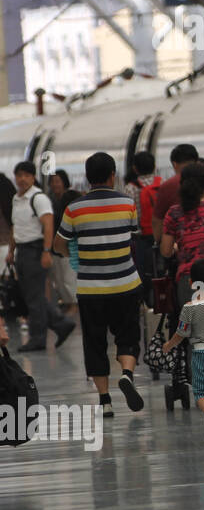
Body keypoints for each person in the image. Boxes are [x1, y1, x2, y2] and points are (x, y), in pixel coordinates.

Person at [54, 152, 145, 416]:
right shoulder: (127, 203)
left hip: (91, 289)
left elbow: (59, 245)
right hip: (126, 284)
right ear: (112, 175)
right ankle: (126, 374)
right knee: (127, 336)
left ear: (87, 177)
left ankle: (105, 400)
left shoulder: (75, 209)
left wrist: (73, 252)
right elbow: (133, 235)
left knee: (95, 343)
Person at [159, 258, 204, 442]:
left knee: (201, 393)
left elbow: (181, 333)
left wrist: (169, 345)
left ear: (191, 283)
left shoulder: (188, 308)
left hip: (202, 355)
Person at [6, 162, 76, 351]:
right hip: (22, 249)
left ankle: (38, 338)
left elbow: (48, 225)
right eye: (19, 175)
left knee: (34, 297)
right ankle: (62, 324)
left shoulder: (38, 198)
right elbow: (16, 226)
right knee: (32, 295)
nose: (22, 179)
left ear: (33, 177)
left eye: (26, 175)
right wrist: (11, 251)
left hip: (35, 250)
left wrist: (46, 251)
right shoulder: (16, 198)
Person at [160, 162, 204, 306]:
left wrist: (177, 247)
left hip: (189, 279)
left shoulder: (174, 212)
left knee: (193, 325)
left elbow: (165, 251)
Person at [152, 144, 204, 239]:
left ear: (174, 164)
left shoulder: (167, 186)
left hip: (183, 244)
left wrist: (158, 241)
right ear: (196, 160)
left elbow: (157, 221)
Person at [123, 152, 161, 304]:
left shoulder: (130, 189)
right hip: (162, 236)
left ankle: (147, 305)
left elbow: (128, 217)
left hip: (141, 238)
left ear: (135, 168)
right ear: (154, 167)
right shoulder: (162, 184)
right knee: (161, 271)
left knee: (143, 273)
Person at [47, 170, 81, 309]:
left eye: (57, 181)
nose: (55, 184)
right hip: (55, 246)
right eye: (52, 181)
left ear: (64, 182)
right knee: (59, 279)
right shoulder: (50, 200)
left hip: (69, 245)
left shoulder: (71, 197)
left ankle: (74, 305)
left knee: (69, 278)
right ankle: (68, 303)